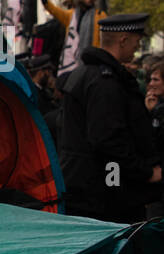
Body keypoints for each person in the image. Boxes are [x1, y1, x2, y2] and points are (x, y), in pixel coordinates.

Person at [58, 13, 160, 222]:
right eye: (136, 41)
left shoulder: (85, 73)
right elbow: (107, 140)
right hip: (101, 190)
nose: (137, 48)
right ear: (123, 40)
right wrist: (145, 173)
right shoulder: (105, 82)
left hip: (87, 184)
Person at [36, 0, 105, 75]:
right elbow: (54, 11)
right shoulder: (71, 15)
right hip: (73, 60)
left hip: (93, 61)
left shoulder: (100, 15)